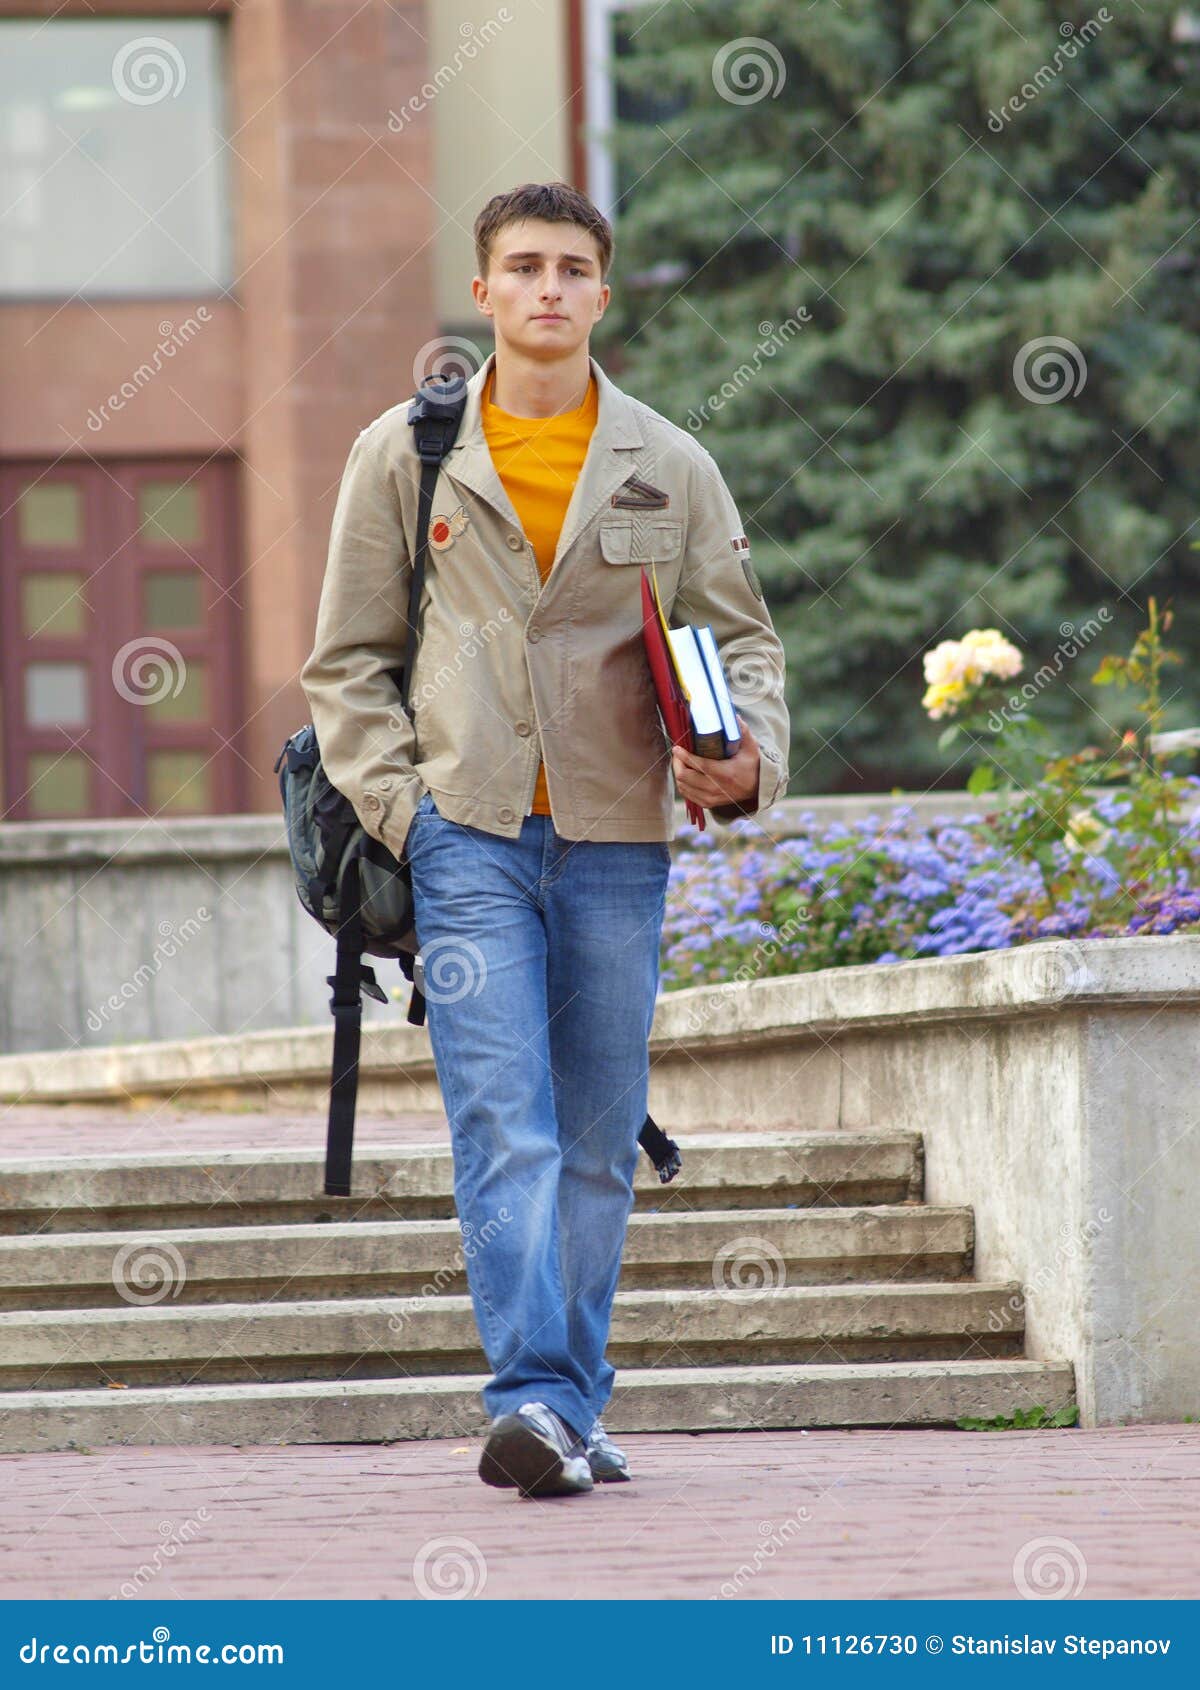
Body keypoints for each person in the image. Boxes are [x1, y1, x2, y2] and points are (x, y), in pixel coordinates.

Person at [301, 181, 790, 1499]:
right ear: (486, 292)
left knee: (593, 1131)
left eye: (574, 267)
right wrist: (408, 811)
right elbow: (347, 662)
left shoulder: (668, 460)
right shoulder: (403, 455)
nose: (550, 288)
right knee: (504, 1125)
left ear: (603, 294)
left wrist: (747, 760)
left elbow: (740, 637)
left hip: (620, 833)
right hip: (466, 835)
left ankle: (568, 1401)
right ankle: (532, 1395)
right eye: (524, 266)